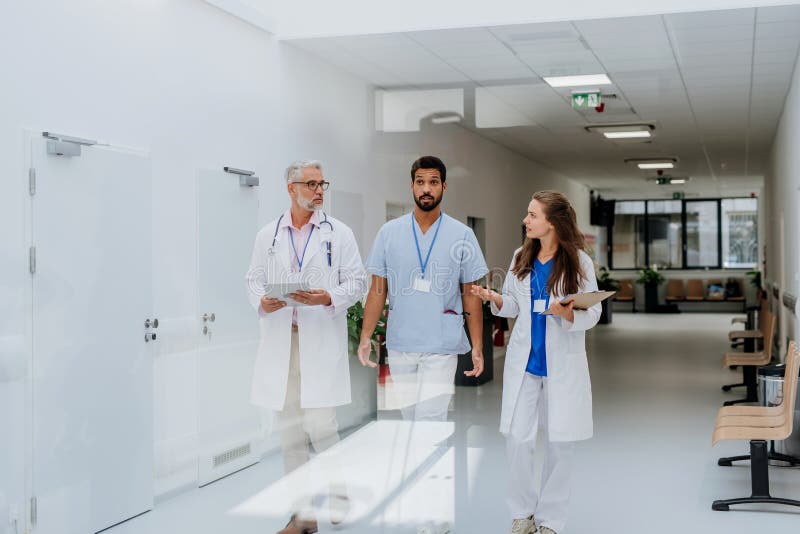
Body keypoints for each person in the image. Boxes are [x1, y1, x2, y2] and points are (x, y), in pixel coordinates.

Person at [245, 160, 367, 534]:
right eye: (311, 184)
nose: (318, 191)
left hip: (319, 337)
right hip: (283, 341)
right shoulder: (269, 234)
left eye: (322, 184)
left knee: (320, 425)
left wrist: (327, 297)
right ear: (290, 188)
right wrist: (261, 302)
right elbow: (253, 278)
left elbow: (358, 282)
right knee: (290, 431)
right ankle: (302, 516)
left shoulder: (338, 233)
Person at [471, 191, 600, 534]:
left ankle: (551, 520)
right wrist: (497, 299)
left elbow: (594, 310)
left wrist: (569, 313)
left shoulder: (579, 262)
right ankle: (522, 514)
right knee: (518, 439)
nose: (525, 221)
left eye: (532, 215)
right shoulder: (521, 255)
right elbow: (514, 305)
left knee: (560, 443)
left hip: (562, 365)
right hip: (526, 364)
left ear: (552, 222)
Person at [357, 155, 488, 423]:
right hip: (401, 342)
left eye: (433, 182)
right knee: (408, 416)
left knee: (431, 417)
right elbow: (377, 291)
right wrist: (366, 336)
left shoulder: (462, 234)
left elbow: (470, 295)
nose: (426, 188)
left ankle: (430, 465)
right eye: (420, 182)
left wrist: (477, 346)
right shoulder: (389, 233)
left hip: (441, 343)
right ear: (412, 185)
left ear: (444, 187)